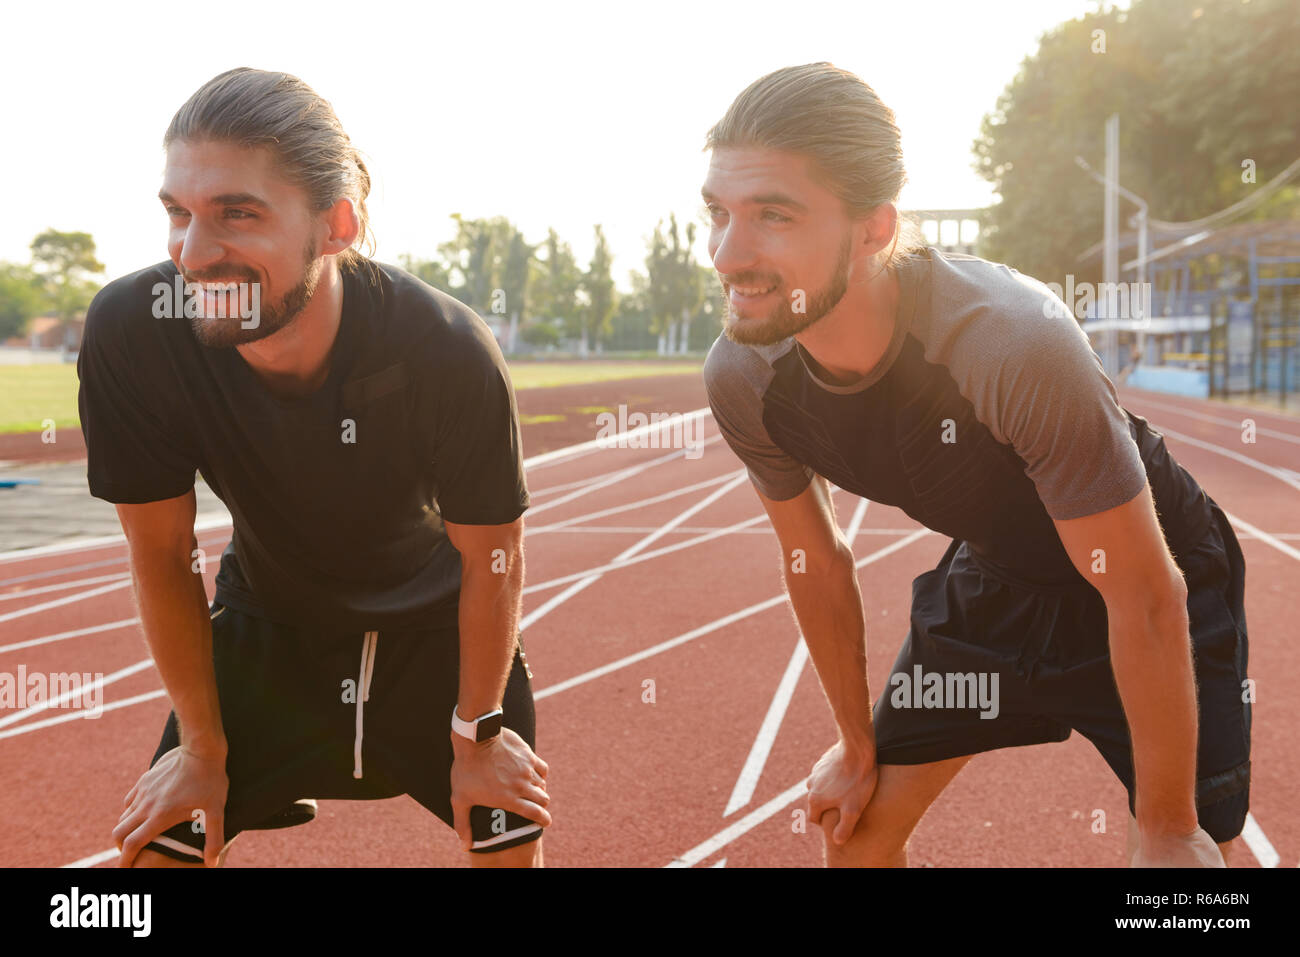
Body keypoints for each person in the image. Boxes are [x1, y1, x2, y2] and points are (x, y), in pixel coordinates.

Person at [701, 63, 1250, 867]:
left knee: (1181, 874)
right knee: (852, 833)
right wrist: (856, 744)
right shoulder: (746, 377)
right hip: (999, 583)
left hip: (1153, 577)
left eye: (773, 216)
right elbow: (814, 559)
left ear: (874, 228)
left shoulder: (1010, 343)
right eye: (717, 213)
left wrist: (1169, 823)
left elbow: (1143, 588)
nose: (726, 254)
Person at [79, 68, 549, 868]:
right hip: (268, 627)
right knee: (154, 855)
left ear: (336, 225)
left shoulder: (443, 347)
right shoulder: (135, 332)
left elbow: (492, 557)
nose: (193, 253)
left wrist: (479, 729)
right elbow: (160, 552)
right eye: (178, 213)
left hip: (438, 636)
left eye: (237, 214)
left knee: (504, 836)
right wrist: (199, 743)